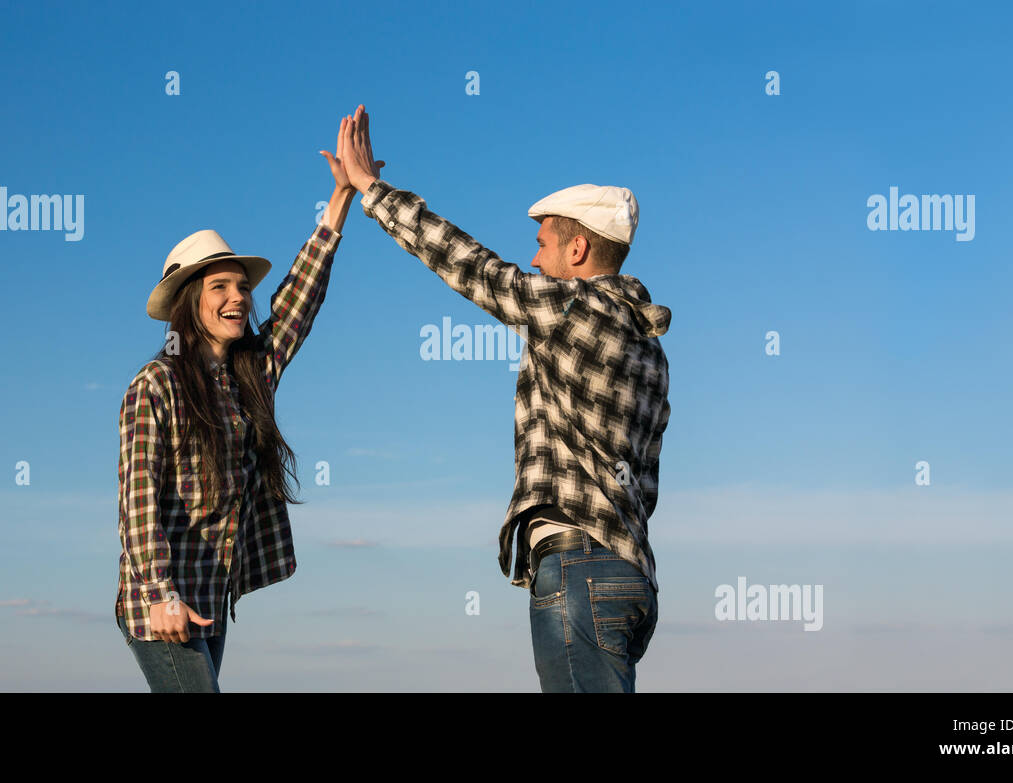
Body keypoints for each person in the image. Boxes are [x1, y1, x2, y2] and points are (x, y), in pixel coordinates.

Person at [339, 105, 671, 693]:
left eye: (543, 245)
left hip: (579, 567)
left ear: (577, 252)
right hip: (627, 572)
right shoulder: (647, 344)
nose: (535, 261)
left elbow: (476, 268)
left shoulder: (574, 309)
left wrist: (372, 190)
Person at [113, 115, 380, 692]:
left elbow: (298, 303)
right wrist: (161, 594)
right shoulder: (154, 386)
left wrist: (340, 200)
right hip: (161, 604)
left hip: (212, 595)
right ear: (190, 303)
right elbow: (138, 504)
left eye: (241, 287)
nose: (238, 297)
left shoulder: (248, 376)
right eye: (220, 288)